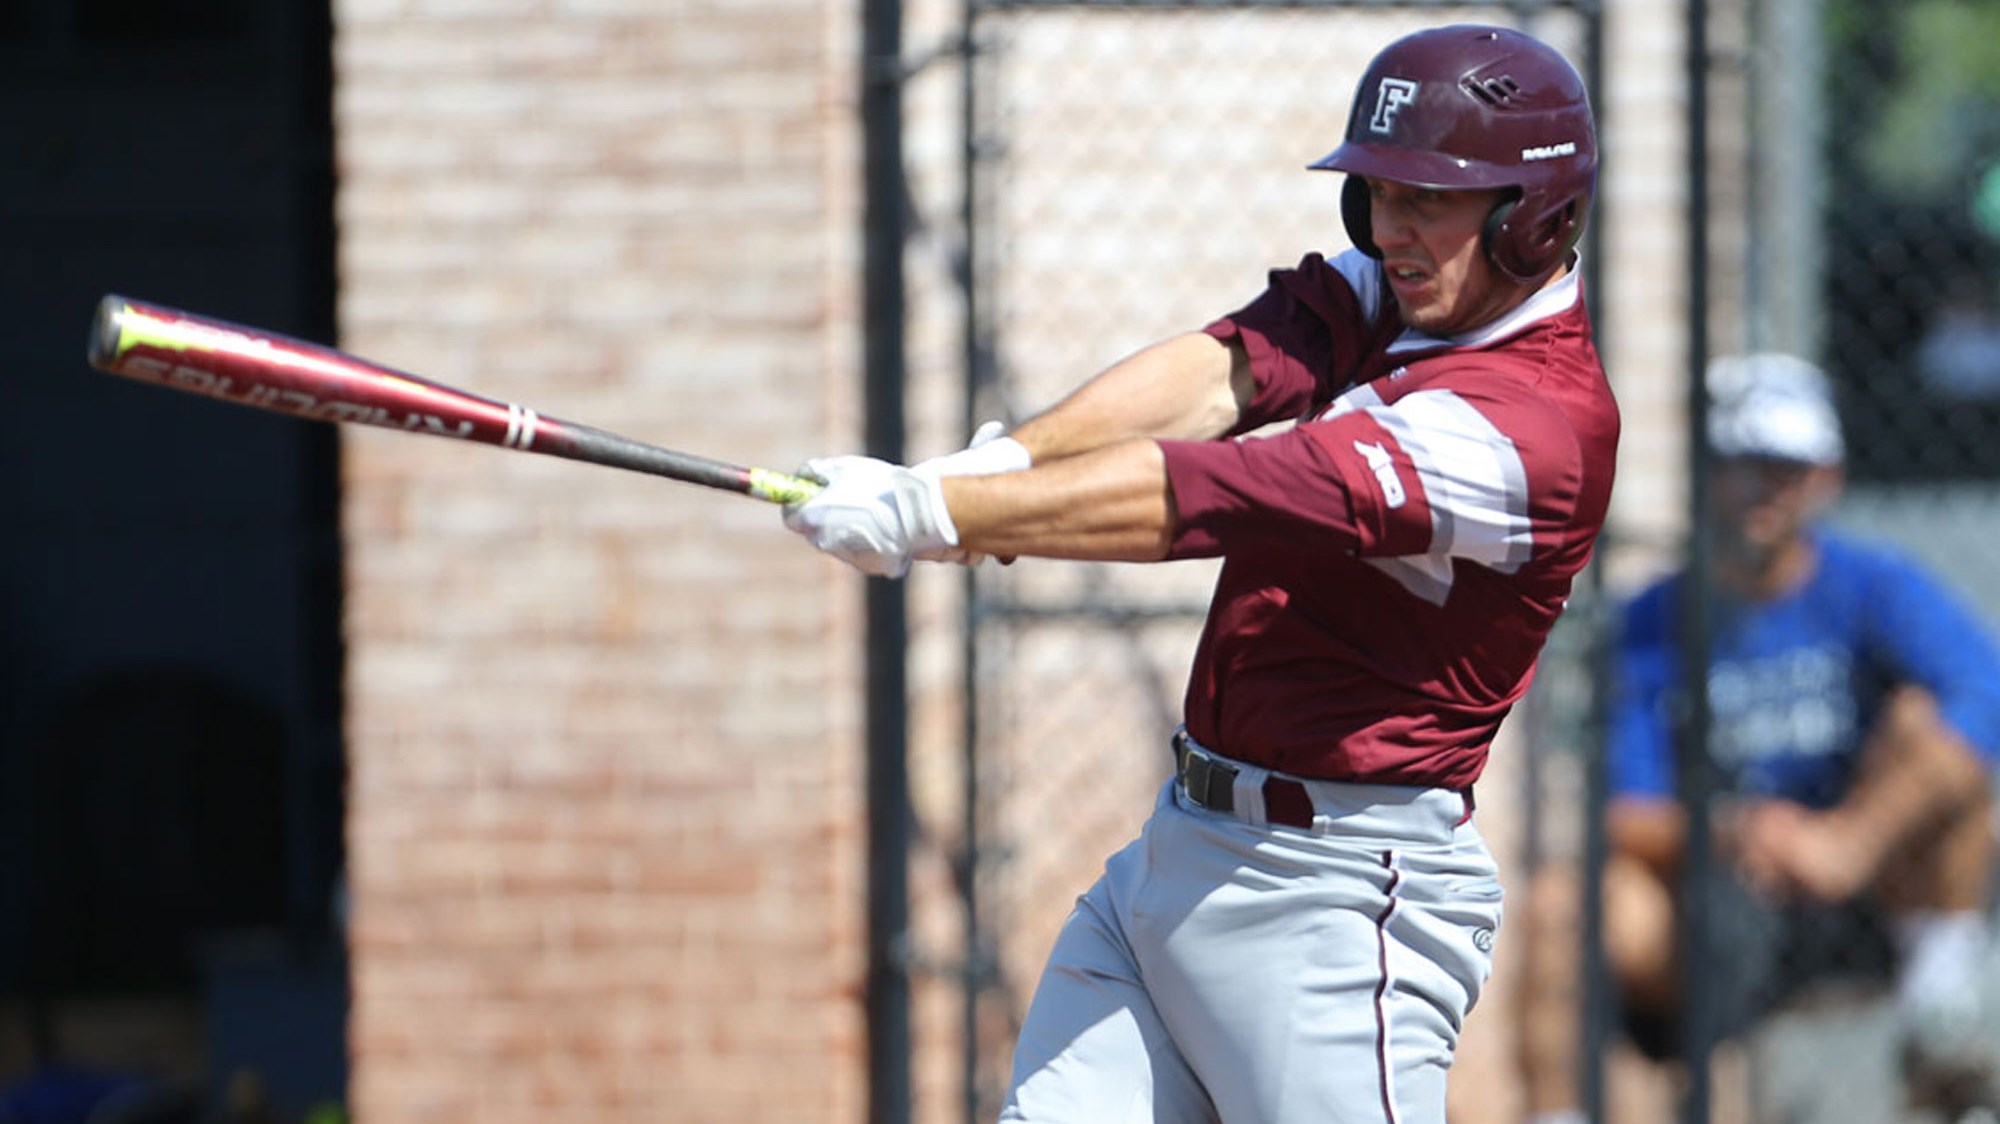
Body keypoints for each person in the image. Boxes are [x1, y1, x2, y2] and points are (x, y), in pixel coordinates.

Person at [787, 24, 1614, 1123]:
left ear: (1535, 217)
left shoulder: (1527, 432)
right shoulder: (1406, 296)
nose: (1389, 228)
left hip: (1333, 902)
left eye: (1428, 198)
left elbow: (1220, 490)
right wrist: (997, 467)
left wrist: (937, 515)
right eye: (1378, 193)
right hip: (1177, 856)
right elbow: (1223, 373)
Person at [1516, 353, 2000, 1124]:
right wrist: (1744, 830)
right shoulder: (1649, 623)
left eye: (1779, 466)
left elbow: (1984, 696)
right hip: (1710, 905)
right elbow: (1626, 812)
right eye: (1733, 464)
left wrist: (1845, 842)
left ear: (1823, 479)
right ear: (1702, 475)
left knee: (1929, 725)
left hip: (1873, 890)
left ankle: (1938, 1030)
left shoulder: (1874, 583)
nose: (1754, 489)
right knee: (1560, 904)